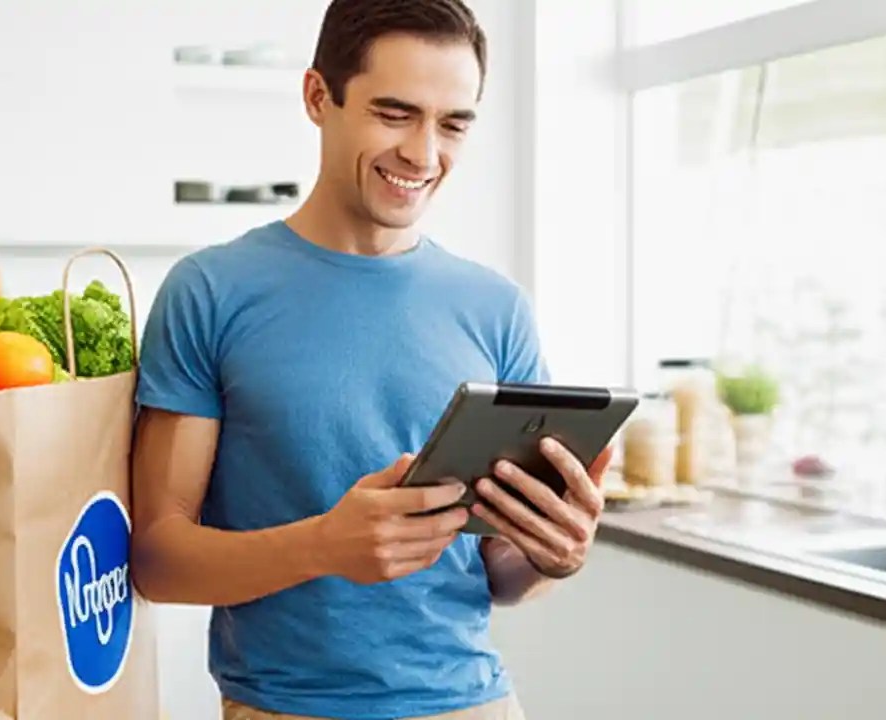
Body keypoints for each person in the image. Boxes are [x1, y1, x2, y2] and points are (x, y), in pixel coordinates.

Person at [130, 1, 613, 718]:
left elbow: (499, 574)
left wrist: (553, 555)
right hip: (286, 707)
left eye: (453, 124)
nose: (424, 154)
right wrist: (324, 546)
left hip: (476, 703)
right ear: (317, 97)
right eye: (394, 114)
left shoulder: (497, 308)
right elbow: (157, 559)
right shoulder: (210, 291)